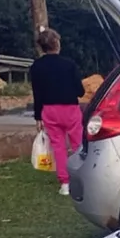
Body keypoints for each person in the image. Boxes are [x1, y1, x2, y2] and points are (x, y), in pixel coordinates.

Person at [29, 28, 84, 195]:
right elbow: (80, 91)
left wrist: (38, 116)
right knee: (77, 145)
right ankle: (81, 179)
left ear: (41, 47)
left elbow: (37, 94)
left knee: (58, 147)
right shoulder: (69, 64)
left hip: (49, 110)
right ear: (57, 44)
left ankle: (65, 184)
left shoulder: (36, 67)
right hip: (70, 109)